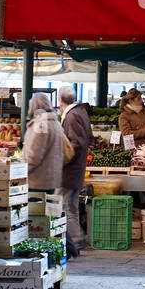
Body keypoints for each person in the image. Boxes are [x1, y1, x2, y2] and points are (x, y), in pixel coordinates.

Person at [58, 86, 93, 250]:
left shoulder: (72, 116)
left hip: (70, 169)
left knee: (65, 206)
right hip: (76, 168)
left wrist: (61, 158)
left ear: (60, 100)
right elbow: (88, 138)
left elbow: (76, 143)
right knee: (70, 205)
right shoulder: (81, 112)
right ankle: (77, 238)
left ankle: (76, 240)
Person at [23, 93, 64, 191]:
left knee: (36, 206)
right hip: (51, 179)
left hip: (38, 181)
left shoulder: (41, 124)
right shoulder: (55, 123)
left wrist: (23, 171)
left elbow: (35, 154)